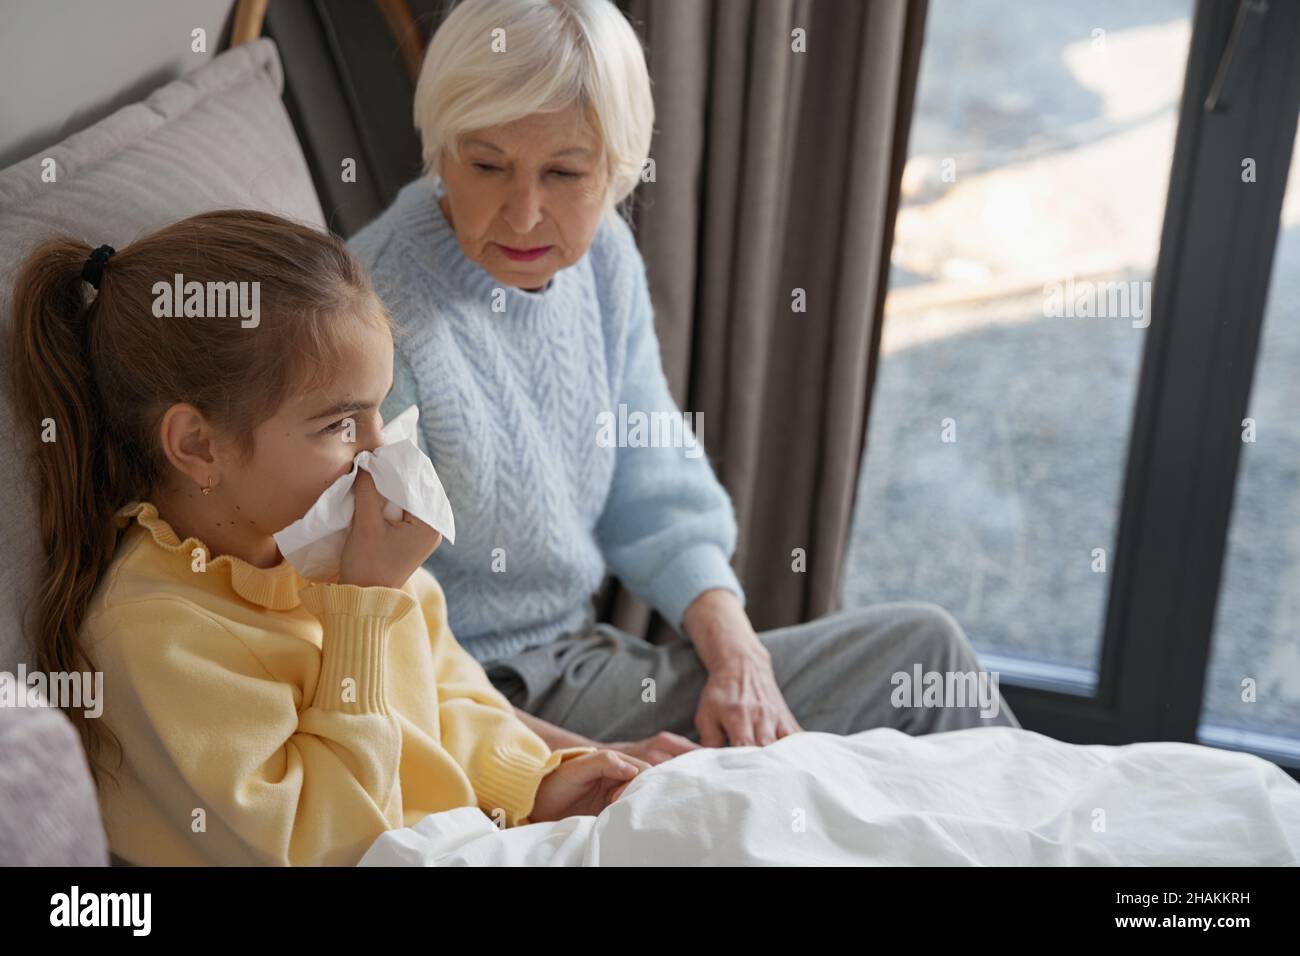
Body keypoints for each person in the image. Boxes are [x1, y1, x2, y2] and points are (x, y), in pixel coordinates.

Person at [352, 0, 1020, 765]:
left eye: (565, 172)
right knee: (917, 665)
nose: (525, 213)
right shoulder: (370, 314)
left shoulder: (601, 259)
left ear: (617, 167)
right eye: (487, 164)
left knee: (925, 657)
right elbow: (376, 631)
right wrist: (587, 763)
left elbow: (653, 482)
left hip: (584, 663)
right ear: (440, 147)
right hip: (483, 705)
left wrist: (742, 659)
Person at [8, 210, 648, 866]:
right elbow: (335, 846)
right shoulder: (159, 633)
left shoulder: (321, 548)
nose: (377, 451)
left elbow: (442, 696)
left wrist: (533, 781)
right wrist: (362, 609)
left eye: (380, 408)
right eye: (341, 424)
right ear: (199, 446)